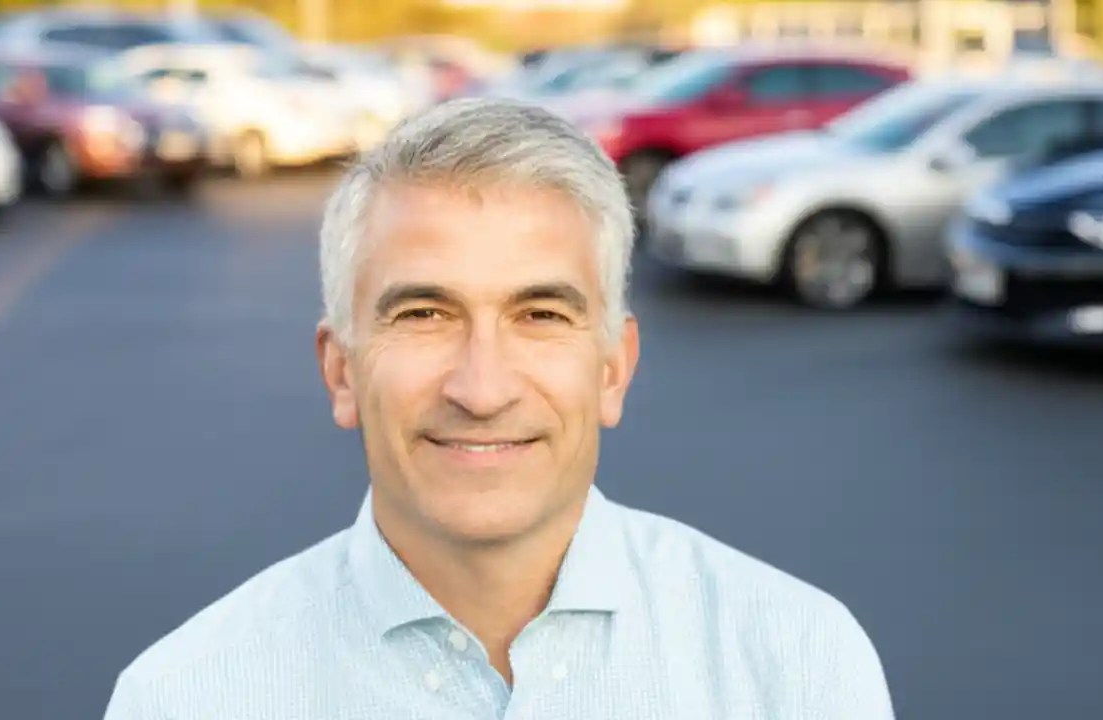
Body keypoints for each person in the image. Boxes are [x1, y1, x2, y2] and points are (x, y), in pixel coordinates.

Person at [101, 98, 895, 719]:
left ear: (613, 369)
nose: (482, 389)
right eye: (424, 315)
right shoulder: (185, 699)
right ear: (340, 371)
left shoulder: (797, 666)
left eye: (541, 315)